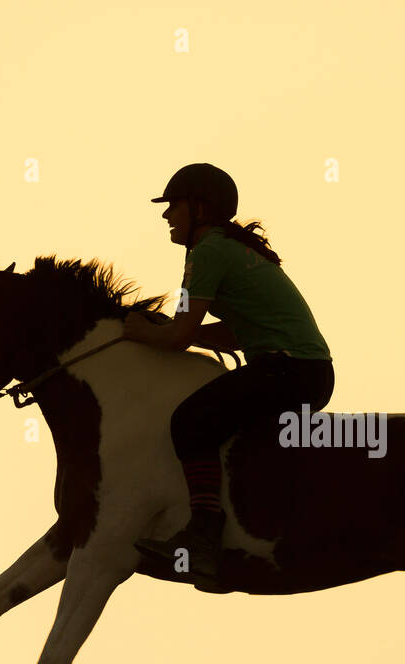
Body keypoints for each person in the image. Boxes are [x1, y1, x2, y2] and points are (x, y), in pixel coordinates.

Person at [127, 163, 334, 592]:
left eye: (173, 207)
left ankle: (202, 538)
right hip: (301, 370)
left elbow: (179, 336)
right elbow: (228, 329)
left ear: (199, 208)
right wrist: (175, 332)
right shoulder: (221, 249)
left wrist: (137, 332)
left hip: (288, 370)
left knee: (189, 421)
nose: (166, 216)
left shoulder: (208, 253)